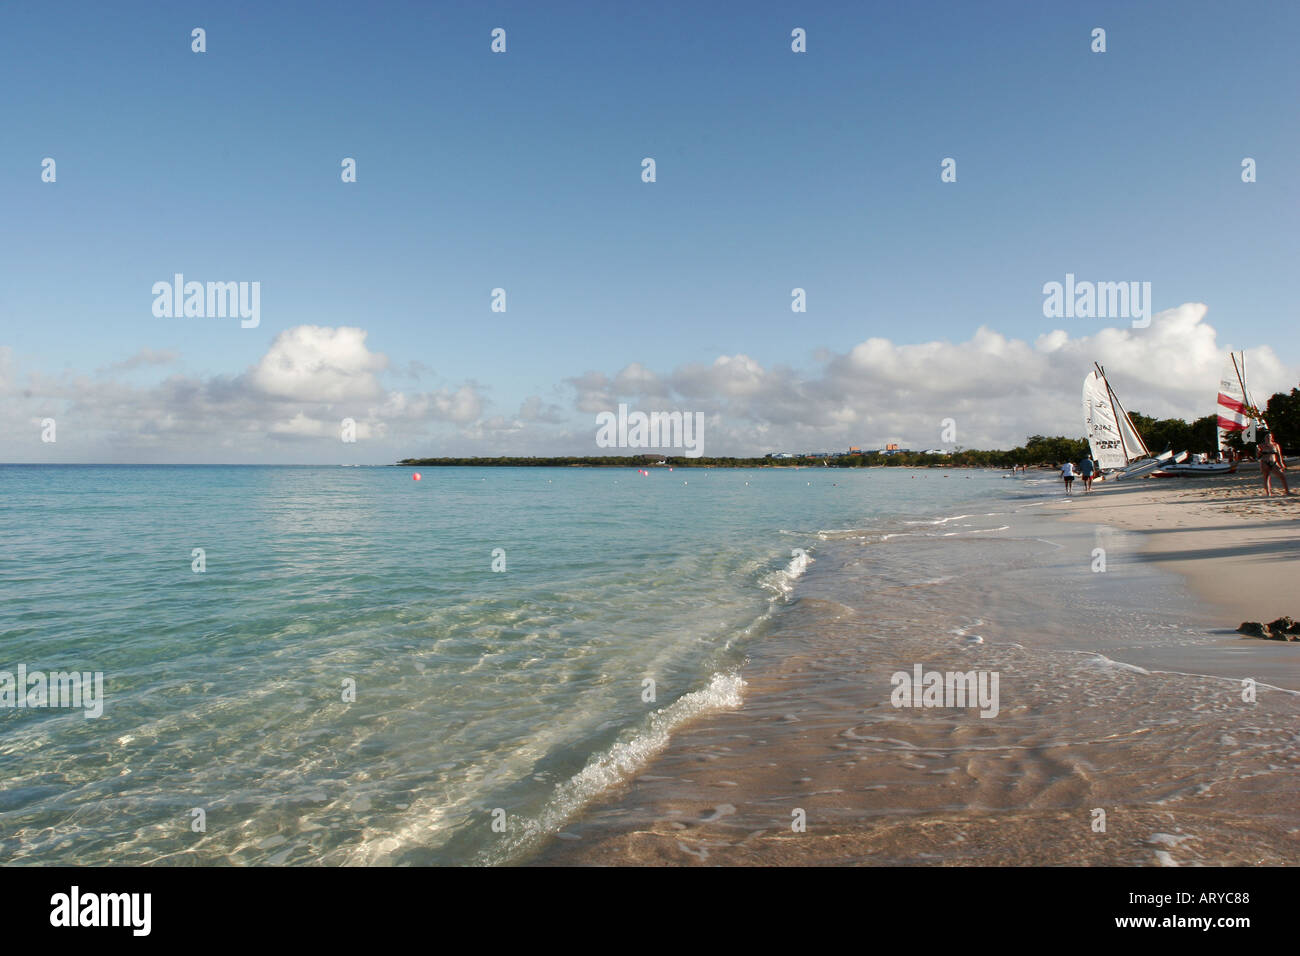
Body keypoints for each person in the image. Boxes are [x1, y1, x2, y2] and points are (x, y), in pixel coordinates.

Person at [1258, 432, 1291, 496]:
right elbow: (1258, 456)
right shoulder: (1260, 445)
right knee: (1266, 477)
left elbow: (1279, 455)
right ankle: (1268, 493)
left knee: (1282, 476)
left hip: (1273, 462)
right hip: (1264, 462)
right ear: (1264, 438)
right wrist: (1259, 451)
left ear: (1272, 437)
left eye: (1270, 436)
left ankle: (1287, 491)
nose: (1268, 438)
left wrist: (1281, 463)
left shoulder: (1275, 445)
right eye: (1267, 437)